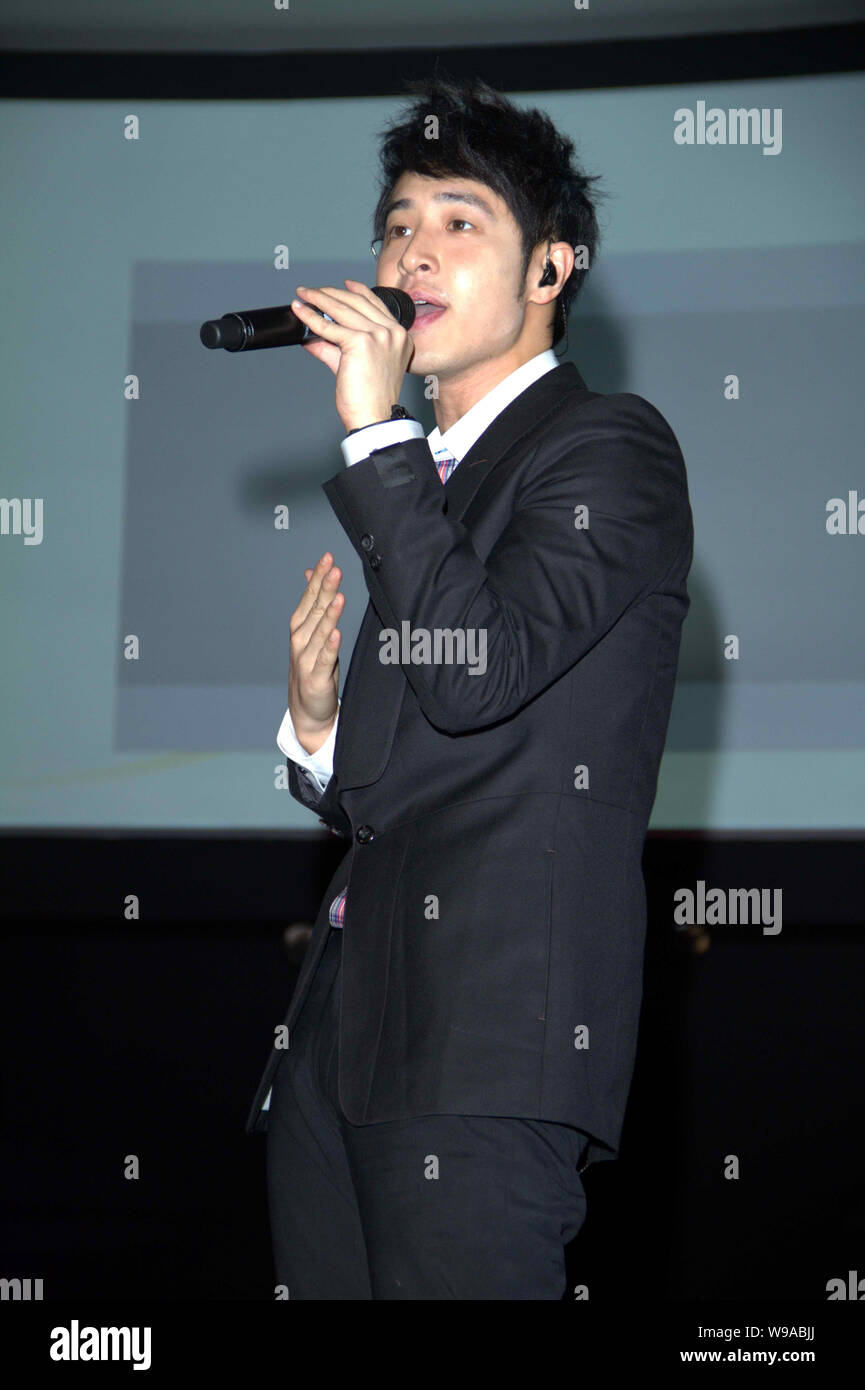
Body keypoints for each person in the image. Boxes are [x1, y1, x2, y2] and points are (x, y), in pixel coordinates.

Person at [246, 74, 694, 1300]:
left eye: (458, 221)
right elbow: (428, 771)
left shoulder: (608, 448)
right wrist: (323, 730)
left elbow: (480, 667)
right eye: (395, 224)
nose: (412, 253)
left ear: (551, 268)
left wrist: (372, 433)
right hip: (344, 1041)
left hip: (485, 1046)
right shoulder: (428, 487)